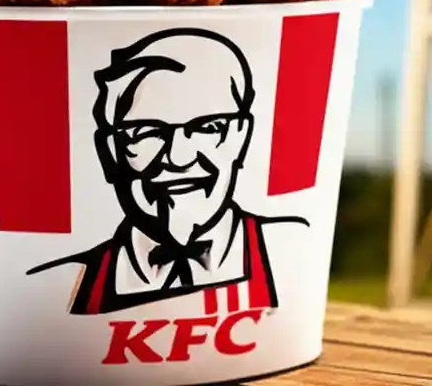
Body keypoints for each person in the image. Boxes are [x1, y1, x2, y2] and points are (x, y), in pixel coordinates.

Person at [28, 28, 306, 315]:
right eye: (147, 132)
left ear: (241, 138)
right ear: (110, 151)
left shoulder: (290, 248)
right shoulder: (58, 284)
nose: (179, 157)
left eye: (207, 127)